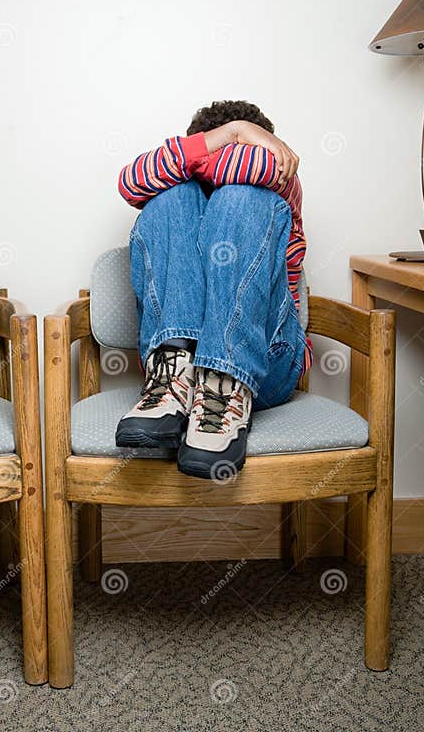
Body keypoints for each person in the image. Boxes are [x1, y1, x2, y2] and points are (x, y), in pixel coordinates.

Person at [115, 100, 313, 480]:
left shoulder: (273, 184)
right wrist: (229, 135)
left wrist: (224, 141)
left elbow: (262, 166)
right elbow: (128, 181)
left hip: (269, 364)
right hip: (181, 368)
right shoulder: (182, 200)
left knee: (238, 197)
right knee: (169, 198)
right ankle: (173, 379)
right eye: (223, 143)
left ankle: (228, 386)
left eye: (242, 142)